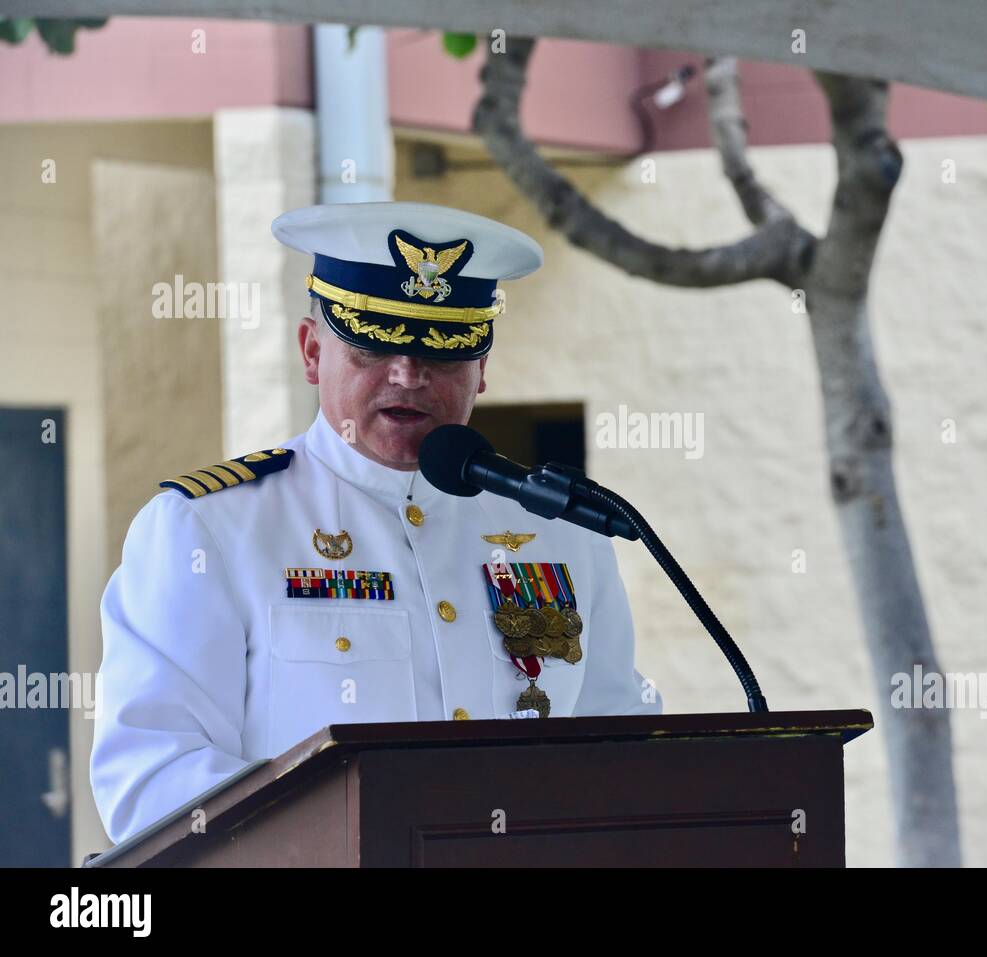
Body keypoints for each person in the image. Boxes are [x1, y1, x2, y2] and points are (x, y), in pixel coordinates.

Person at [90, 202, 662, 845]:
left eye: (442, 352)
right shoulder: (211, 530)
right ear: (312, 351)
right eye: (372, 344)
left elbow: (619, 745)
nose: (407, 375)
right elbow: (152, 778)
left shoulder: (562, 532)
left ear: (481, 368)